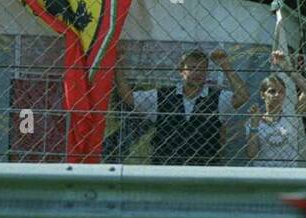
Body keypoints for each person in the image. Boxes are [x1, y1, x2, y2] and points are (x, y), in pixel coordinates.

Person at [114, 47, 249, 165]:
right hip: (166, 169)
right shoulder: (162, 95)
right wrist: (117, 62)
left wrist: (225, 65)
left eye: (202, 69)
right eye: (191, 68)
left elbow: (243, 96)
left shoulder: (218, 98)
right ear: (181, 70)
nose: (197, 73)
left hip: (204, 170)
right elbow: (128, 97)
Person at [246, 51, 306, 166]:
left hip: (288, 176)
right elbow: (251, 155)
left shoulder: (292, 115)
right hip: (263, 176)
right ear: (262, 94)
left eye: (281, 92)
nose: (277, 95)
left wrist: (285, 66)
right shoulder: (255, 120)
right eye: (272, 91)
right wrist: (254, 125)